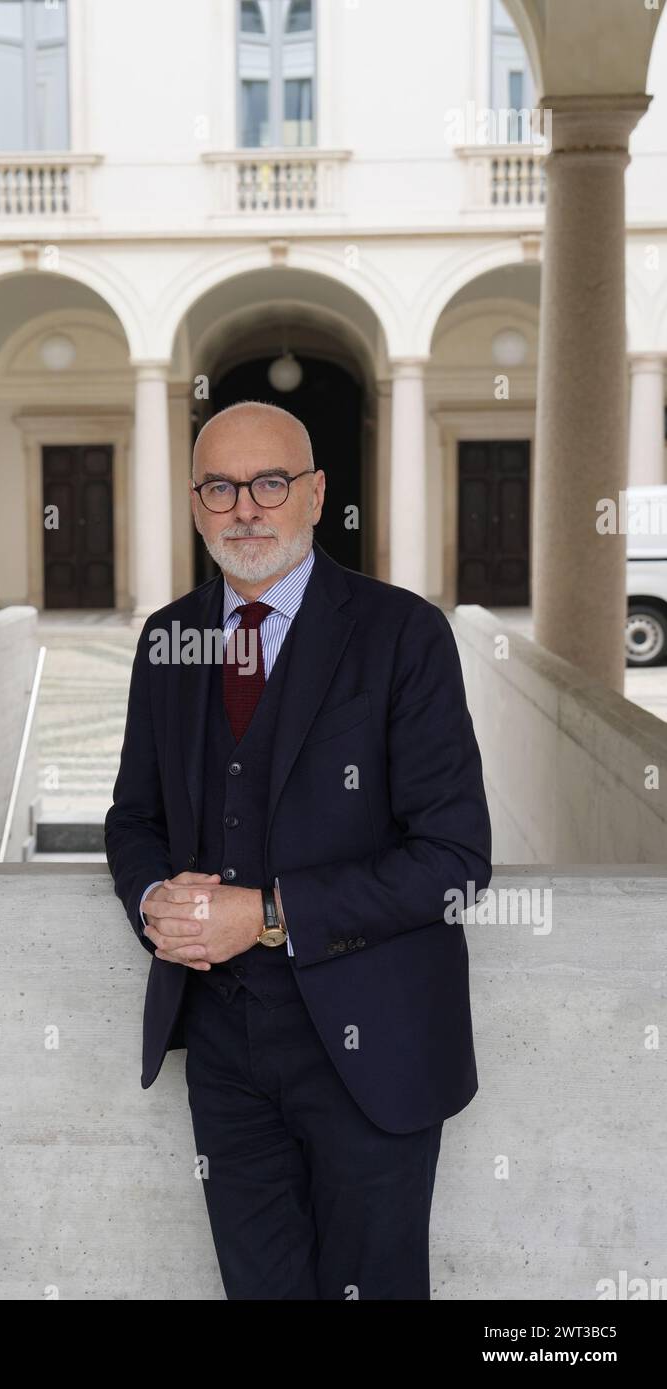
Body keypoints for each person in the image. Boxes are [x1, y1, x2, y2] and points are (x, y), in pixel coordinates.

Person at [104, 400, 492, 1300]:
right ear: (196, 504)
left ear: (315, 496)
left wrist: (271, 913)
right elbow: (132, 819)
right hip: (222, 1046)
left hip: (374, 1042)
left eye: (270, 483)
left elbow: (454, 858)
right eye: (219, 487)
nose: (245, 507)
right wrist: (153, 896)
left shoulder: (403, 634)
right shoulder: (167, 639)